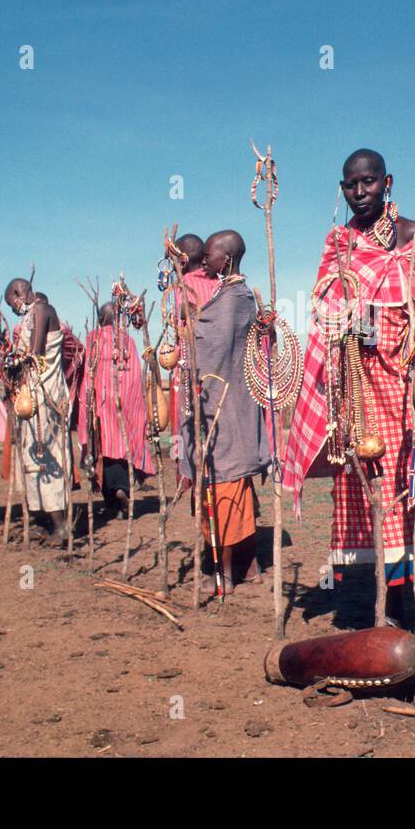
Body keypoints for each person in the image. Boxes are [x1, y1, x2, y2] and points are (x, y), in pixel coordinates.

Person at [283, 149, 415, 643]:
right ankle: (394, 611)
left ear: (387, 183)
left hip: (410, 390)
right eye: (351, 185)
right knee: (379, 496)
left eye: (369, 183)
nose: (360, 193)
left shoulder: (413, 238)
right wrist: (350, 320)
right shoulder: (339, 244)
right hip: (360, 390)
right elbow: (325, 304)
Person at [176, 230, 269, 596]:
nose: (205, 262)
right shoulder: (235, 295)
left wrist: (189, 327)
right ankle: (250, 568)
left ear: (226, 259)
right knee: (235, 491)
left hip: (223, 408)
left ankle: (225, 575)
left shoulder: (232, 299)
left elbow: (212, 346)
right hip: (232, 408)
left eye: (210, 256)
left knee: (223, 491)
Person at [5, 277, 72, 544]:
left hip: (47, 396)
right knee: (33, 459)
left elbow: (35, 353)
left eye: (12, 302)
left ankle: (61, 527)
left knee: (48, 457)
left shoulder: (43, 309)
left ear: (19, 292)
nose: (13, 308)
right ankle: (40, 520)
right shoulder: (29, 316)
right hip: (30, 397)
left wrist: (14, 363)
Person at [78, 292, 155, 520]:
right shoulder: (127, 340)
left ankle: (112, 497)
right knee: (122, 445)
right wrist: (134, 406)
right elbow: (134, 379)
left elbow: (87, 374)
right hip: (124, 404)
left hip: (101, 403)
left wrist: (87, 402)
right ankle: (122, 490)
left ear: (100, 319)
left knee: (103, 448)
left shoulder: (93, 338)